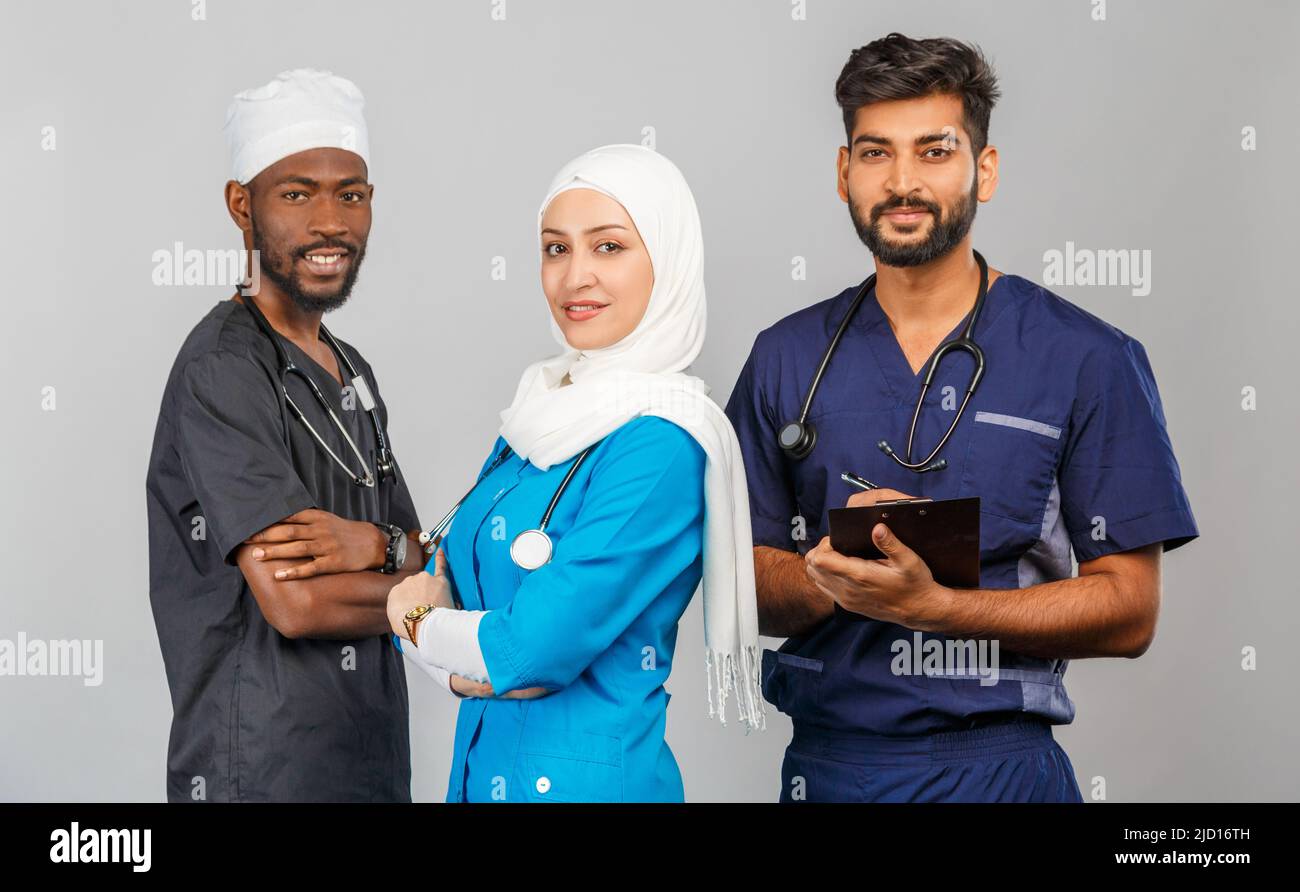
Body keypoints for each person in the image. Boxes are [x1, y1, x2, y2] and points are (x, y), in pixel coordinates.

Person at [723, 34, 1199, 802]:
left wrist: (940, 608)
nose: (902, 182)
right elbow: (735, 575)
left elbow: (1131, 609)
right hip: (831, 770)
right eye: (876, 153)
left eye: (934, 152)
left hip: (1003, 772)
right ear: (844, 174)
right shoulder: (785, 358)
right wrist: (835, 579)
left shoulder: (1085, 357)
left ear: (985, 169)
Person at [386, 144, 764, 803]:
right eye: (556, 248)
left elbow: (528, 652)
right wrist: (454, 647)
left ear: (668, 261)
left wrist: (415, 623)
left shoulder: (663, 441)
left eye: (609, 247)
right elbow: (453, 589)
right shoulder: (538, 413)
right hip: (479, 776)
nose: (574, 277)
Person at [146, 69, 427, 802]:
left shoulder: (350, 370)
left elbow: (417, 545)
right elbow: (296, 605)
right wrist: (429, 584)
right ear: (243, 207)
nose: (330, 222)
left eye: (351, 194)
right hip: (259, 770)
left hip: (367, 760)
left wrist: (382, 549)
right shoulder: (223, 370)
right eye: (296, 194)